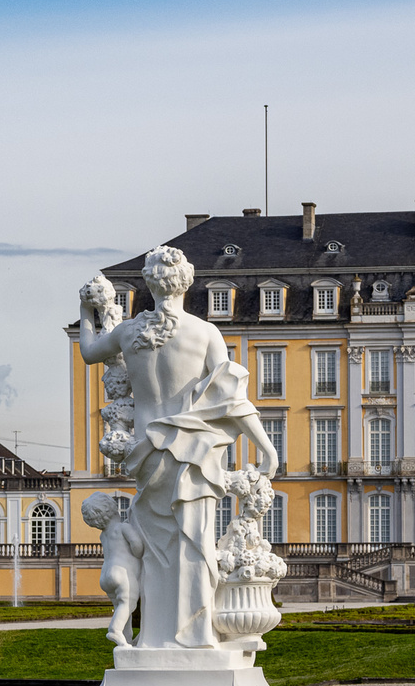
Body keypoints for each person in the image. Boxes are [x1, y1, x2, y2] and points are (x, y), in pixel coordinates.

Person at [78, 247, 280, 649]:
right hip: (192, 455)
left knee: (156, 550)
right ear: (186, 283)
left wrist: (86, 310)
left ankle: (155, 637)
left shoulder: (127, 332)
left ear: (150, 283)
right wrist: (266, 446)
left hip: (147, 455)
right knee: (194, 543)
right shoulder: (204, 332)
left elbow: (88, 352)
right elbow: (232, 400)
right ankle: (195, 636)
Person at [81, 493, 144, 647]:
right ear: (113, 509)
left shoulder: (104, 535)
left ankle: (126, 639)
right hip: (121, 573)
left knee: (120, 607)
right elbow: (138, 547)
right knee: (128, 603)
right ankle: (115, 629)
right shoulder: (123, 527)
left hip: (106, 575)